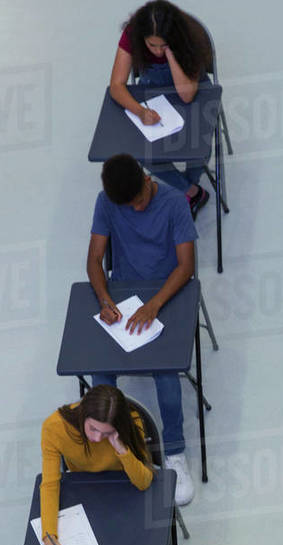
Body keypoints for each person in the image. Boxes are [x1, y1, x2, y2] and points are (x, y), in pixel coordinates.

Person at [87, 152, 197, 504]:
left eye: (139, 201)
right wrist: (105, 299)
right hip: (124, 296)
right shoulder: (106, 201)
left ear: (147, 180)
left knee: (166, 374)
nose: (135, 208)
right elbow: (94, 259)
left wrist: (155, 304)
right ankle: (112, 446)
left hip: (169, 293)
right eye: (129, 205)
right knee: (100, 373)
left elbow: (186, 266)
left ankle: (175, 451)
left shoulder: (174, 203)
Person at [40, 385, 154, 545]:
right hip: (87, 498)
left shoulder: (131, 421)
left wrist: (121, 447)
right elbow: (50, 484)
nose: (97, 438)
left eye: (107, 432)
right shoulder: (54, 427)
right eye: (93, 429)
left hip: (125, 495)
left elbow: (144, 481)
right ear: (83, 414)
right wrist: (49, 533)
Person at [109, 1, 211, 215]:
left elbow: (186, 95)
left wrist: (171, 53)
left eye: (162, 45)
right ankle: (191, 192)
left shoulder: (187, 35)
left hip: (189, 86)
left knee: (199, 148)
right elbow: (116, 86)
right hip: (153, 90)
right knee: (141, 151)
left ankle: (185, 189)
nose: (157, 51)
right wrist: (140, 111)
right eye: (151, 45)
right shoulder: (132, 33)